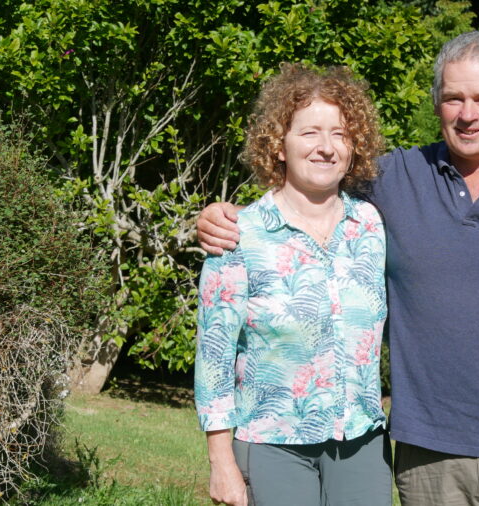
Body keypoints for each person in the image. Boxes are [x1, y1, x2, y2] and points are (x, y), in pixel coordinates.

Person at [198, 32, 479, 506]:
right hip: (426, 459)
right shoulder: (393, 180)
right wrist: (217, 217)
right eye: (453, 98)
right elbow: (309, 180)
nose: (467, 113)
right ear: (437, 103)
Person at [194, 63, 391, 506]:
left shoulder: (370, 225)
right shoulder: (240, 233)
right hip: (271, 443)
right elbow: (214, 359)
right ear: (278, 145)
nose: (326, 148)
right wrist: (221, 463)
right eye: (309, 133)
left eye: (340, 134)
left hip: (361, 442)